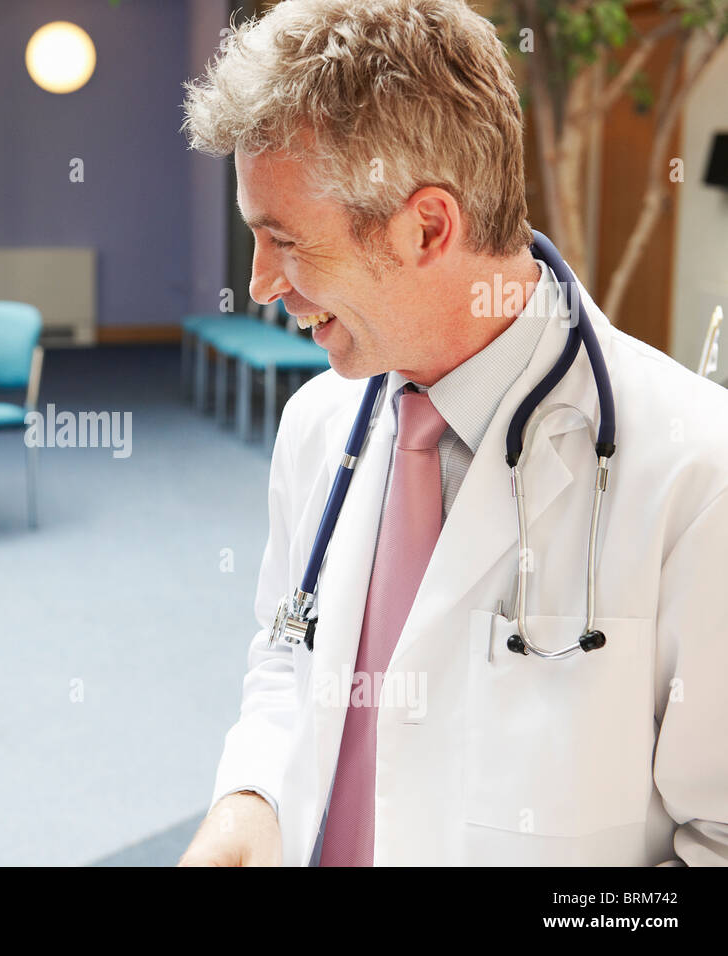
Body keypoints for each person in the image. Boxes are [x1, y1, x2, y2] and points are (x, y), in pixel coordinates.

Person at [178, 0, 728, 867]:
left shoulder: (698, 472)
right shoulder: (318, 423)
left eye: (282, 239)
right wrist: (250, 800)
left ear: (428, 226)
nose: (258, 283)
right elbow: (287, 653)